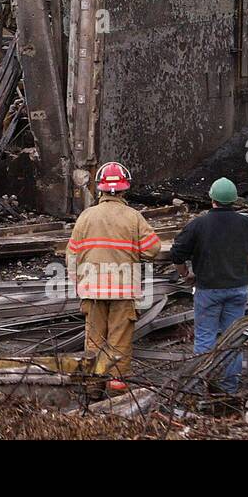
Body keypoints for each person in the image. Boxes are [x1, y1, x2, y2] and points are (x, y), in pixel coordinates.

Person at [170, 177, 248, 394]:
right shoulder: (247, 223)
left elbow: (177, 253)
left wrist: (186, 274)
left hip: (208, 290)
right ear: (234, 201)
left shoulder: (199, 224)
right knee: (233, 340)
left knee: (205, 338)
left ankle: (201, 388)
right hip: (238, 290)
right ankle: (229, 389)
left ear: (212, 199)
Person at [65, 161, 160, 393]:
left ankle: (93, 389)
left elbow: (72, 255)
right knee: (119, 341)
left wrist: (79, 285)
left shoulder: (86, 217)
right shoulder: (134, 217)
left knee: (95, 341)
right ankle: (116, 395)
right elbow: (153, 249)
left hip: (92, 291)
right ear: (125, 189)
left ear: (100, 189)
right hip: (123, 290)